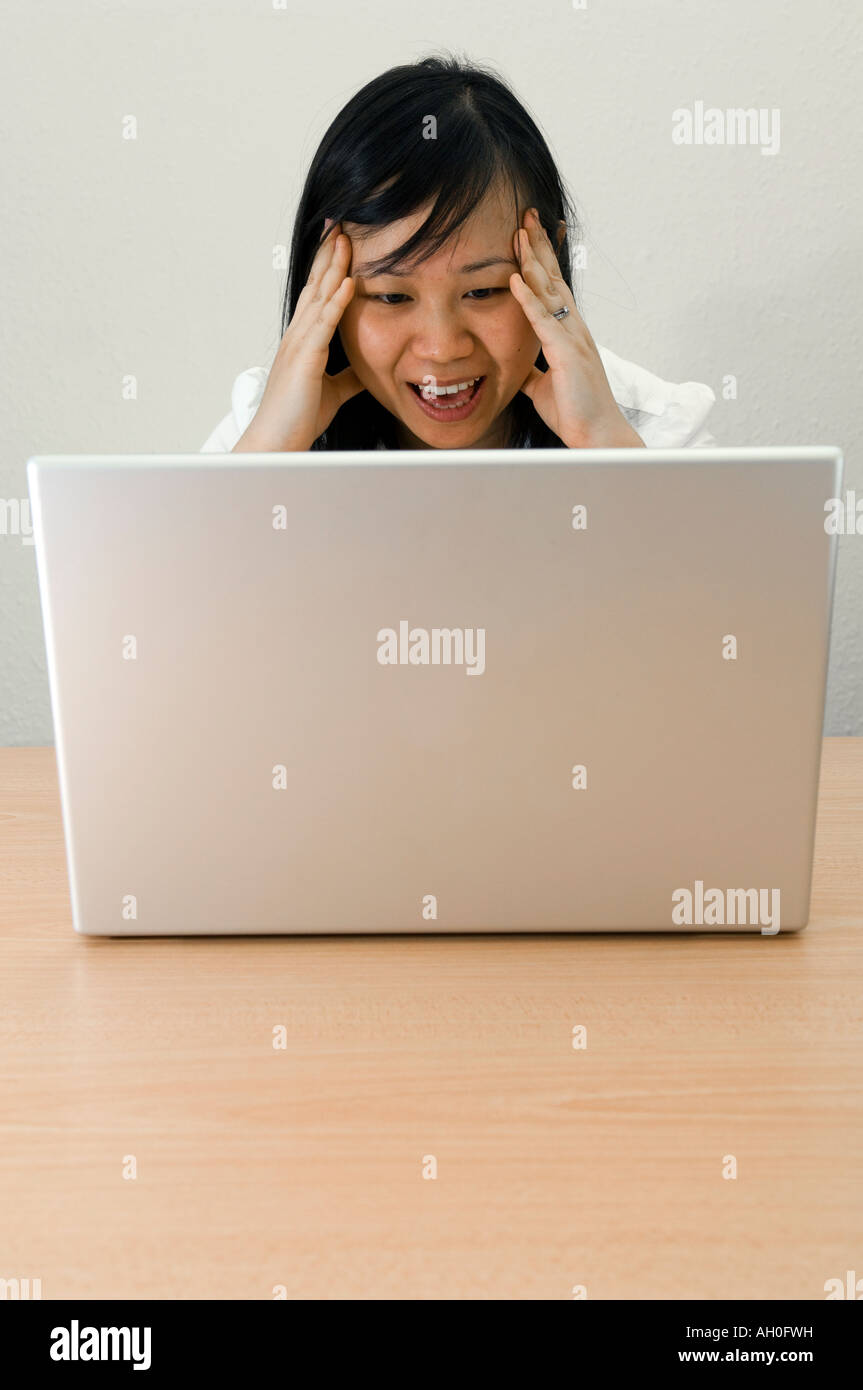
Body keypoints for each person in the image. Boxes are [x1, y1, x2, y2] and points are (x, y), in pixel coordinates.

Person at [201, 53, 717, 454]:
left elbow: (724, 590)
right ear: (325, 286)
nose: (443, 348)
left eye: (483, 291)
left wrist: (605, 443)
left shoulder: (655, 430)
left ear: (550, 268)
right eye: (391, 297)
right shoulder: (263, 426)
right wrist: (272, 457)